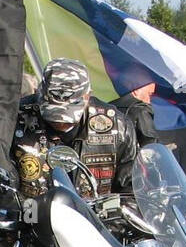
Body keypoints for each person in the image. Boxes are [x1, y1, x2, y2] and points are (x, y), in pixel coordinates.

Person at [13, 57, 137, 198]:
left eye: (67, 114)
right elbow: (4, 181)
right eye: (52, 114)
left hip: (94, 218)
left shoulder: (117, 126)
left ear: (87, 97)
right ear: (39, 94)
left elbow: (131, 191)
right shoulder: (15, 118)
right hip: (32, 215)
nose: (60, 122)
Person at [113, 79, 158, 147]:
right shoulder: (141, 110)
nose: (149, 101)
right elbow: (150, 144)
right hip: (131, 156)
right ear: (136, 91)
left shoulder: (109, 108)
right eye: (149, 94)